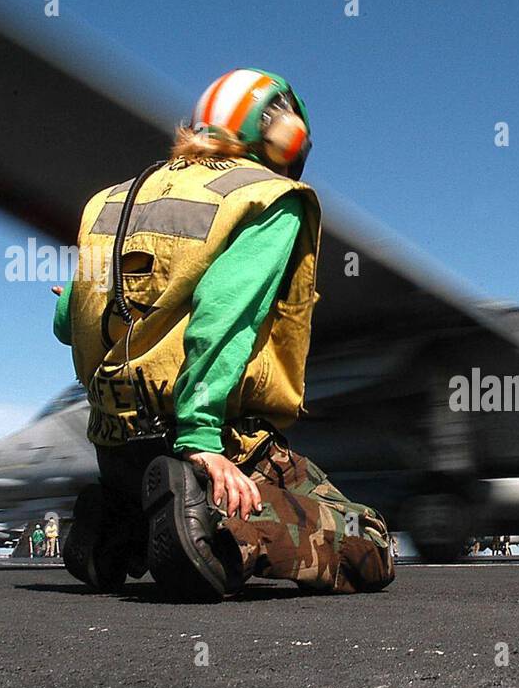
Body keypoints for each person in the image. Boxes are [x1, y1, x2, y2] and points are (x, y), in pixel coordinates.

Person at [55, 69, 395, 600]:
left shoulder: (110, 201)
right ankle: (219, 531)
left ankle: (115, 527)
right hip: (219, 444)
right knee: (370, 543)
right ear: (285, 134)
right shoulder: (267, 198)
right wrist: (201, 442)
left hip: (115, 448)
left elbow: (67, 324)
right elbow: (224, 316)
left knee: (151, 487)